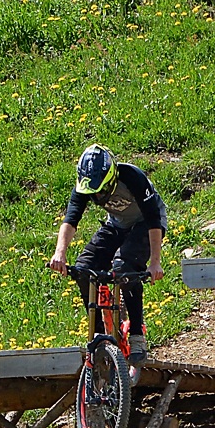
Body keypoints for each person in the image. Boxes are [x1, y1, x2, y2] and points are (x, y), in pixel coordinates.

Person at [47, 144, 166, 365]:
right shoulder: (84, 187)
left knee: (124, 268)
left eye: (101, 190)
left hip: (146, 225)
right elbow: (71, 219)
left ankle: (137, 334)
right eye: (92, 193)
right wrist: (60, 254)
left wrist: (155, 263)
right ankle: (98, 334)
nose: (97, 196)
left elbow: (153, 219)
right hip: (117, 226)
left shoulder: (132, 177)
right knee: (83, 269)